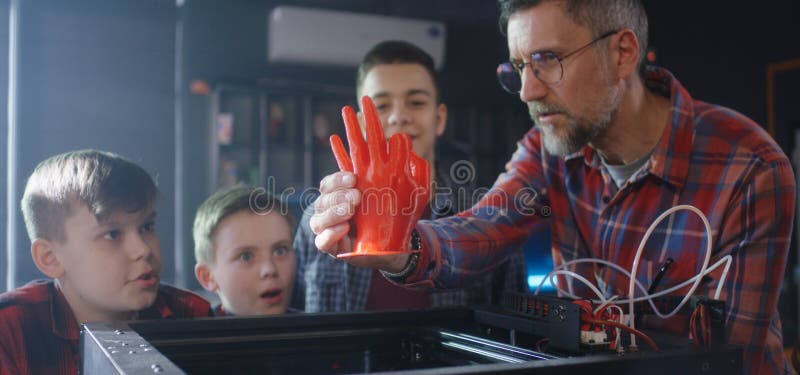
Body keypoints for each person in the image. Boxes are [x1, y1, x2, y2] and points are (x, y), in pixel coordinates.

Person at [309, 1, 796, 374]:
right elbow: (483, 227)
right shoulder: (547, 150)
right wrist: (397, 249)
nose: (527, 91)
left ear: (622, 53)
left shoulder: (748, 168)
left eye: (547, 60)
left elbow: (735, 360)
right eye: (519, 67)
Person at [293, 40, 527, 312]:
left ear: (439, 119)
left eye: (416, 102)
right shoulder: (321, 221)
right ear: (358, 124)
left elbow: (514, 330)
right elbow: (293, 324)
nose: (399, 117)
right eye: (380, 106)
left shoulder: (488, 219)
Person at [0, 150, 212, 374]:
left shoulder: (191, 314)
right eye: (112, 234)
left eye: (147, 227)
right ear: (50, 258)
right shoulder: (9, 328)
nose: (143, 249)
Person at [194, 185, 297, 316]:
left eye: (280, 251)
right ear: (207, 277)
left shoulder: (317, 332)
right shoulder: (195, 336)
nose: (270, 270)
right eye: (246, 257)